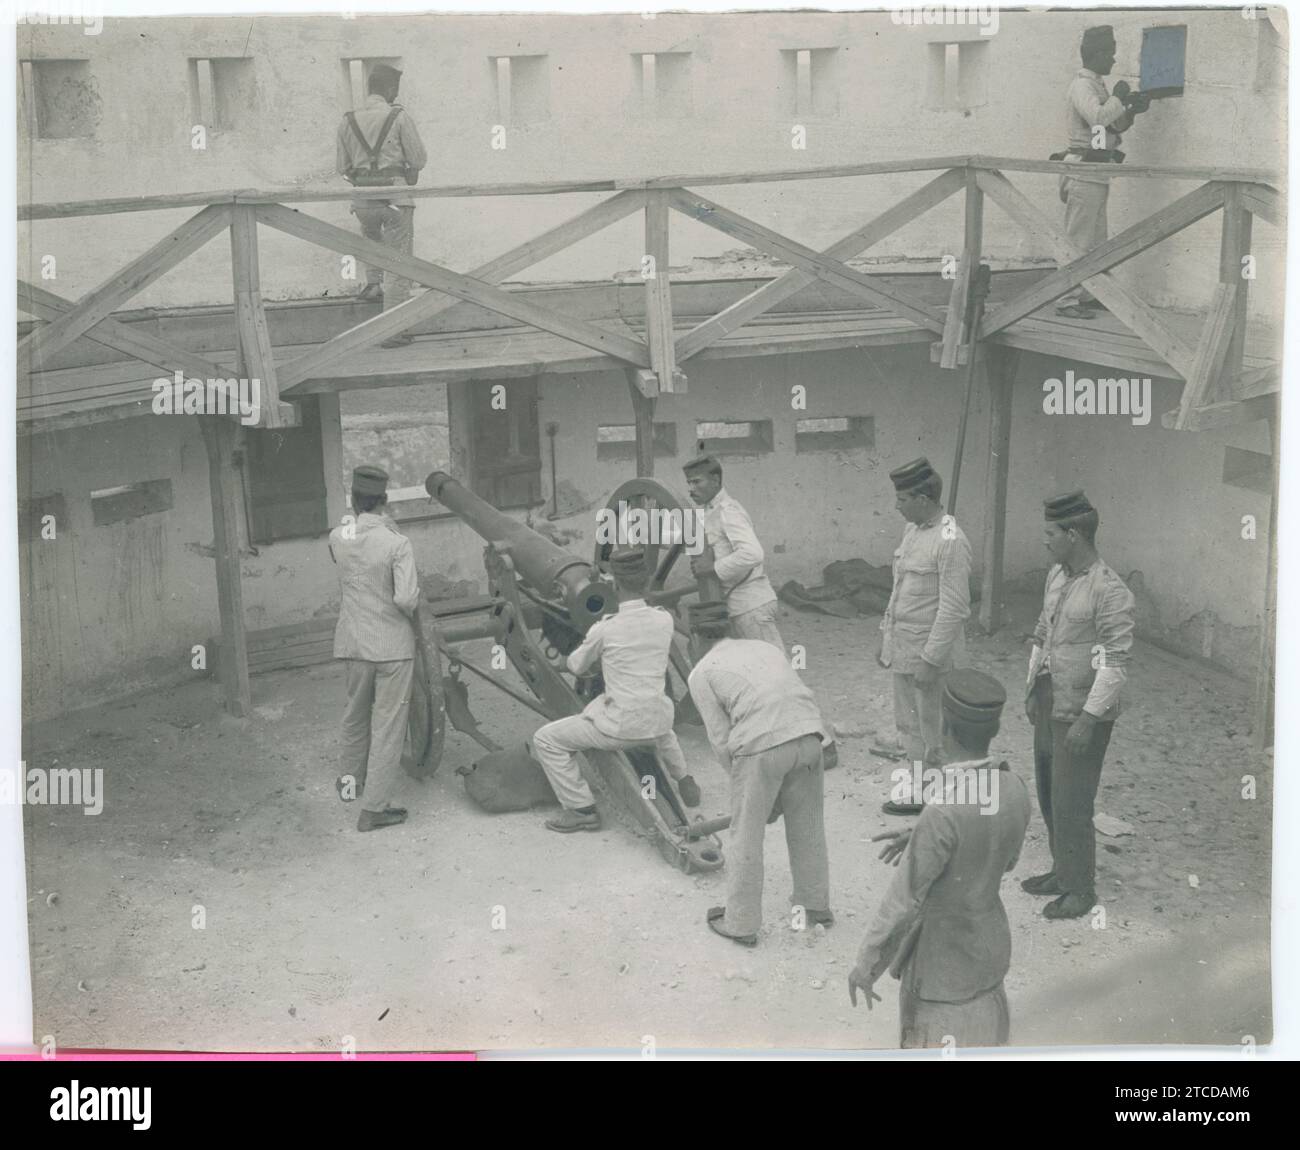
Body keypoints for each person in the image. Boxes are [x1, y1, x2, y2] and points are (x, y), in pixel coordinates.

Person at [849, 670, 1030, 1049]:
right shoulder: (1014, 787)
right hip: (989, 962)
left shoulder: (942, 812)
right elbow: (1004, 859)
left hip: (941, 976)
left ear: (946, 729)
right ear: (992, 731)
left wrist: (866, 968)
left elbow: (903, 902)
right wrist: (922, 836)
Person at [687, 600, 831, 947]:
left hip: (761, 745)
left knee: (745, 834)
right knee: (808, 824)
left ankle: (740, 922)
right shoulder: (763, 647)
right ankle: (815, 907)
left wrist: (748, 790)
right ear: (729, 628)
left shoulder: (701, 672)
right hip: (811, 737)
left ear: (693, 637)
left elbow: (722, 742)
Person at [1022, 491, 1135, 920]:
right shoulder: (1056, 575)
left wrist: (1088, 720)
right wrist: (1032, 688)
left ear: (1073, 534)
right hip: (1051, 698)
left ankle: (1080, 889)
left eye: (1050, 533)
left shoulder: (1110, 591)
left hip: (1083, 710)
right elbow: (1042, 632)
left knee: (1073, 800)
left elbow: (1116, 663)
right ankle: (1061, 870)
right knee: (1051, 794)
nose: (1044, 540)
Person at [684, 454, 838, 767]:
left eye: (697, 481)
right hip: (736, 604)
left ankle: (825, 743)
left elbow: (752, 553)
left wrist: (713, 569)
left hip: (751, 604)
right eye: (688, 483)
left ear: (716, 480)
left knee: (781, 673)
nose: (691, 488)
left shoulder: (728, 511)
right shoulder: (707, 513)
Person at [532, 549, 700, 833]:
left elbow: (575, 664)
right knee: (654, 713)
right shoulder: (664, 620)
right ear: (646, 583)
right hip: (657, 721)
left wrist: (569, 661)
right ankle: (683, 776)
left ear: (614, 585)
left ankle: (580, 808)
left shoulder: (605, 629)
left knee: (547, 739)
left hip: (620, 729)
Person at [876, 458, 972, 815]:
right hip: (905, 645)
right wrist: (885, 635)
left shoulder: (950, 539)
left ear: (922, 498)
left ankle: (940, 801)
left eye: (902, 499)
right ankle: (919, 794)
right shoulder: (914, 531)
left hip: (932, 654)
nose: (896, 506)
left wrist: (931, 660)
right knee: (909, 725)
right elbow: (899, 589)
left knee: (935, 729)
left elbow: (954, 608)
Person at [329, 465, 421, 832]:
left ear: (354, 501)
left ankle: (349, 781)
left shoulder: (337, 536)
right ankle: (374, 810)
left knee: (354, 714)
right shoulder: (397, 543)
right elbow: (407, 599)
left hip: (352, 642)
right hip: (391, 648)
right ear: (384, 501)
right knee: (387, 725)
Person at [1054, 24, 1151, 319]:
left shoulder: (1097, 85)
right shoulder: (1082, 85)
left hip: (1097, 170)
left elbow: (1113, 126)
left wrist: (1131, 110)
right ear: (1095, 55)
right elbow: (1098, 118)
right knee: (1077, 240)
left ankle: (1085, 294)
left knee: (1095, 240)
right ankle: (1064, 301)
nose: (1113, 60)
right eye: (1109, 54)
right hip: (1083, 170)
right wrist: (1120, 99)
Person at [335, 62, 428, 346]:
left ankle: (373, 283)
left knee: (372, 244)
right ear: (389, 89)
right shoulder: (399, 116)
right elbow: (419, 158)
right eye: (395, 90)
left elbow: (342, 167)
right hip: (396, 200)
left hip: (363, 201)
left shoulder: (347, 119)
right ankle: (391, 331)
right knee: (398, 264)